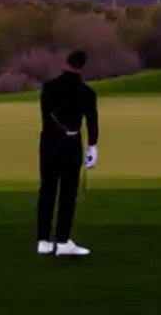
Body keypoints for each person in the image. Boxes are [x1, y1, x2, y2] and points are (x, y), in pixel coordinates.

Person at [36, 49, 99, 256]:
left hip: (49, 142)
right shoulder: (87, 93)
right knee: (67, 192)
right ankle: (62, 241)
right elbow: (91, 122)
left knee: (47, 189)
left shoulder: (49, 87)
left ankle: (43, 240)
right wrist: (92, 146)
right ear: (82, 66)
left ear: (67, 62)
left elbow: (45, 116)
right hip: (72, 143)